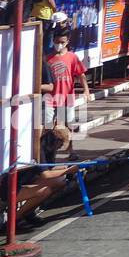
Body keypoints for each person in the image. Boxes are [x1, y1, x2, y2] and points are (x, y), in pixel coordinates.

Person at [40, 30, 88, 160]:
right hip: (50, 99)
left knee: (68, 126)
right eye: (56, 42)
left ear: (67, 42)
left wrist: (86, 90)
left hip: (67, 98)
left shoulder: (72, 57)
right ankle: (49, 154)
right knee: (49, 128)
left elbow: (81, 75)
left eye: (62, 42)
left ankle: (71, 151)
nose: (59, 45)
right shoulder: (47, 59)